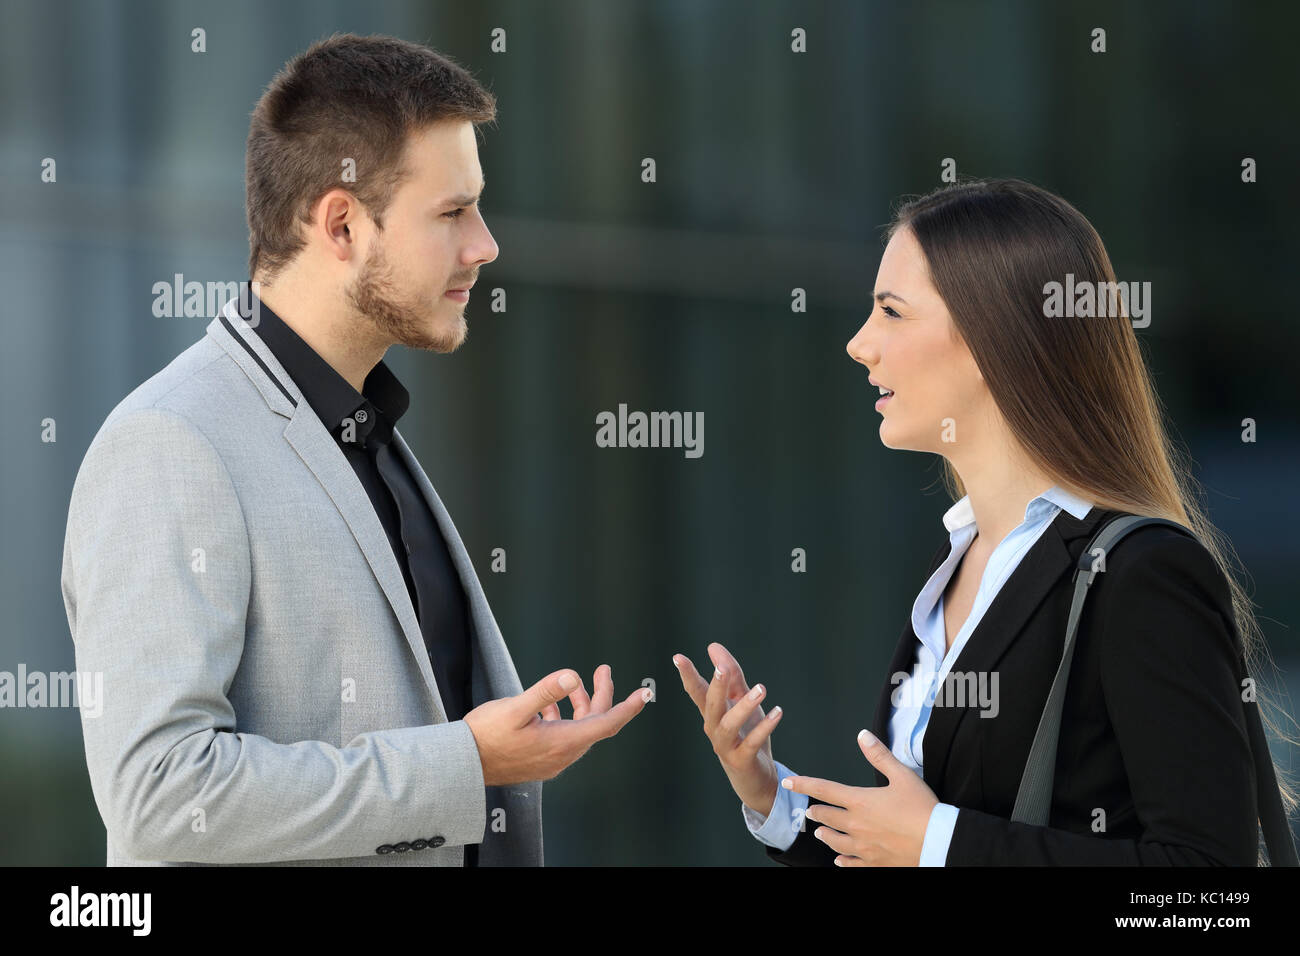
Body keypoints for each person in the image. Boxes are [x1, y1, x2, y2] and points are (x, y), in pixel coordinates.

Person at [60, 33, 647, 867]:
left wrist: (500, 739)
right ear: (340, 223)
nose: (485, 246)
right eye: (452, 212)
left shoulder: (362, 428)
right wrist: (466, 761)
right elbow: (161, 794)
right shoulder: (171, 444)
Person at [675, 177, 1296, 865]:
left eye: (891, 312)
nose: (859, 344)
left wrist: (943, 841)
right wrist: (771, 797)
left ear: (989, 336)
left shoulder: (1143, 573)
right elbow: (906, 847)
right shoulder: (960, 562)